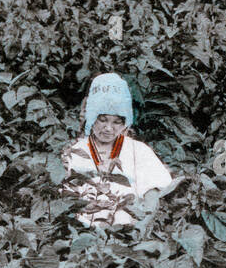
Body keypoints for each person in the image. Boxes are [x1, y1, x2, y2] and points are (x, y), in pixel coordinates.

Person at [61, 73, 173, 226]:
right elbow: (66, 196)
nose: (108, 128)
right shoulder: (75, 151)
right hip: (84, 224)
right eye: (102, 120)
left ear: (125, 123)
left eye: (116, 122)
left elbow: (152, 196)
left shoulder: (138, 150)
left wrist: (140, 226)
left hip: (128, 225)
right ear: (92, 118)